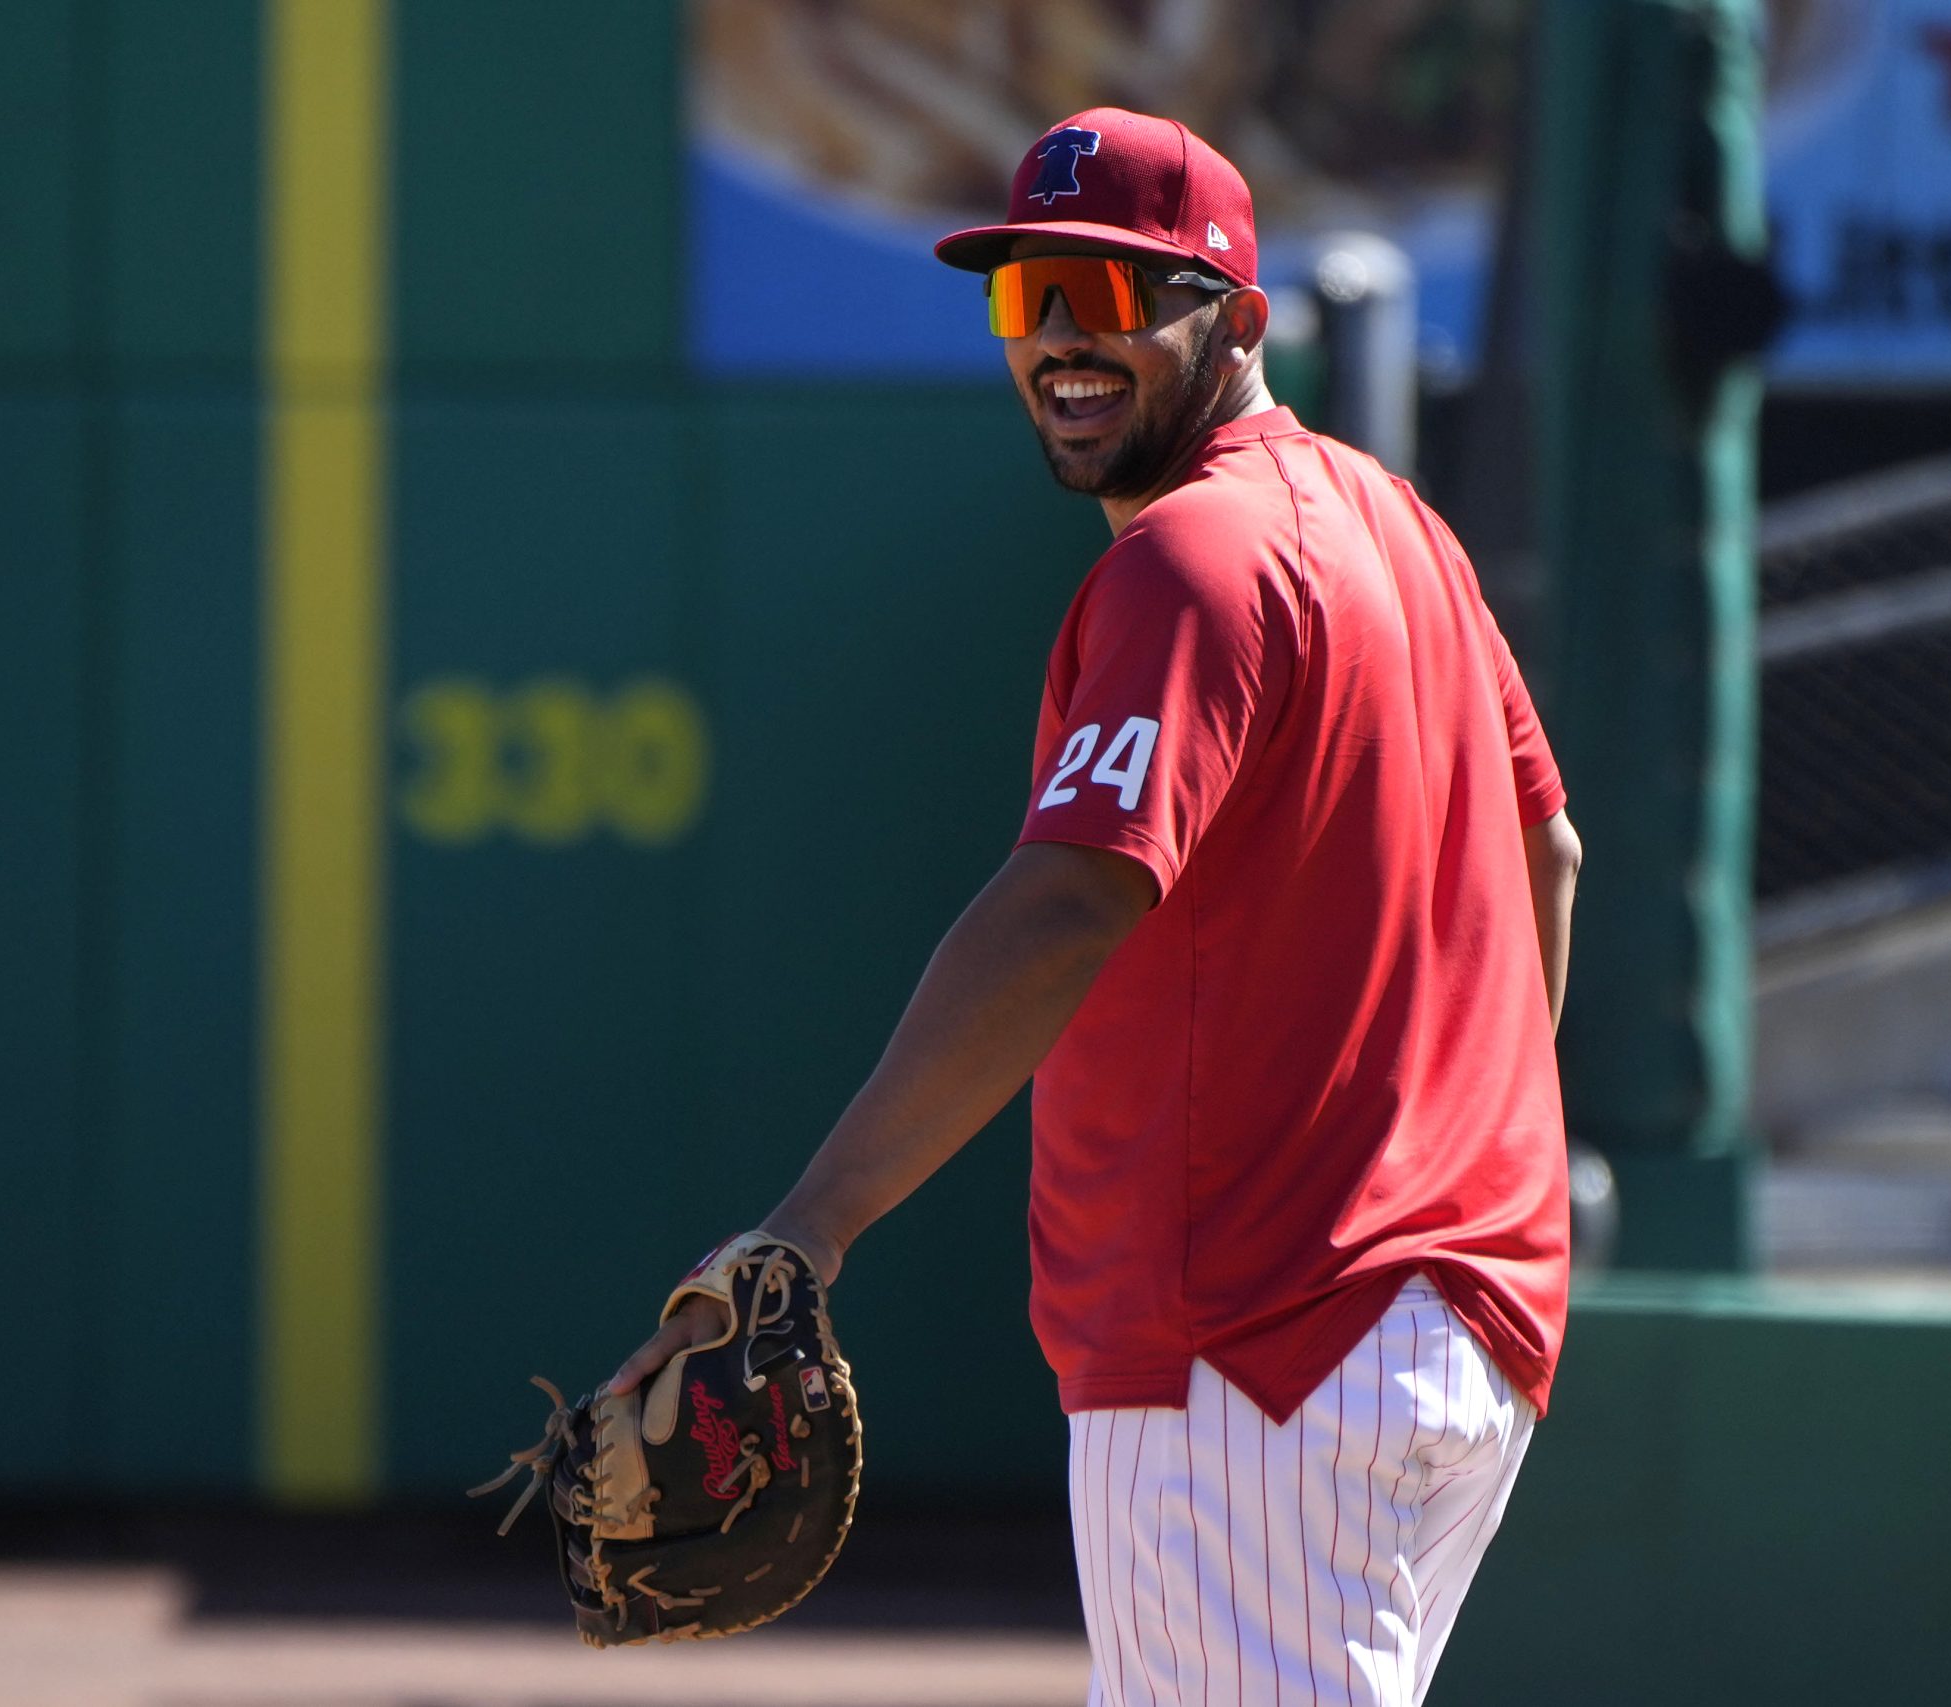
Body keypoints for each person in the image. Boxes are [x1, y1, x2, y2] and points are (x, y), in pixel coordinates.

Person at [609, 107, 1581, 1706]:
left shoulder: (1193, 562)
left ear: (1240, 322)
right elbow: (1548, 859)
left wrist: (809, 1229)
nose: (1063, 336)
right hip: (1441, 1332)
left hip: (1256, 1344)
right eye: (1029, 295)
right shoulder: (1403, 533)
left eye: (1118, 295)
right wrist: (1465, 1184)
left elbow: (1065, 908)